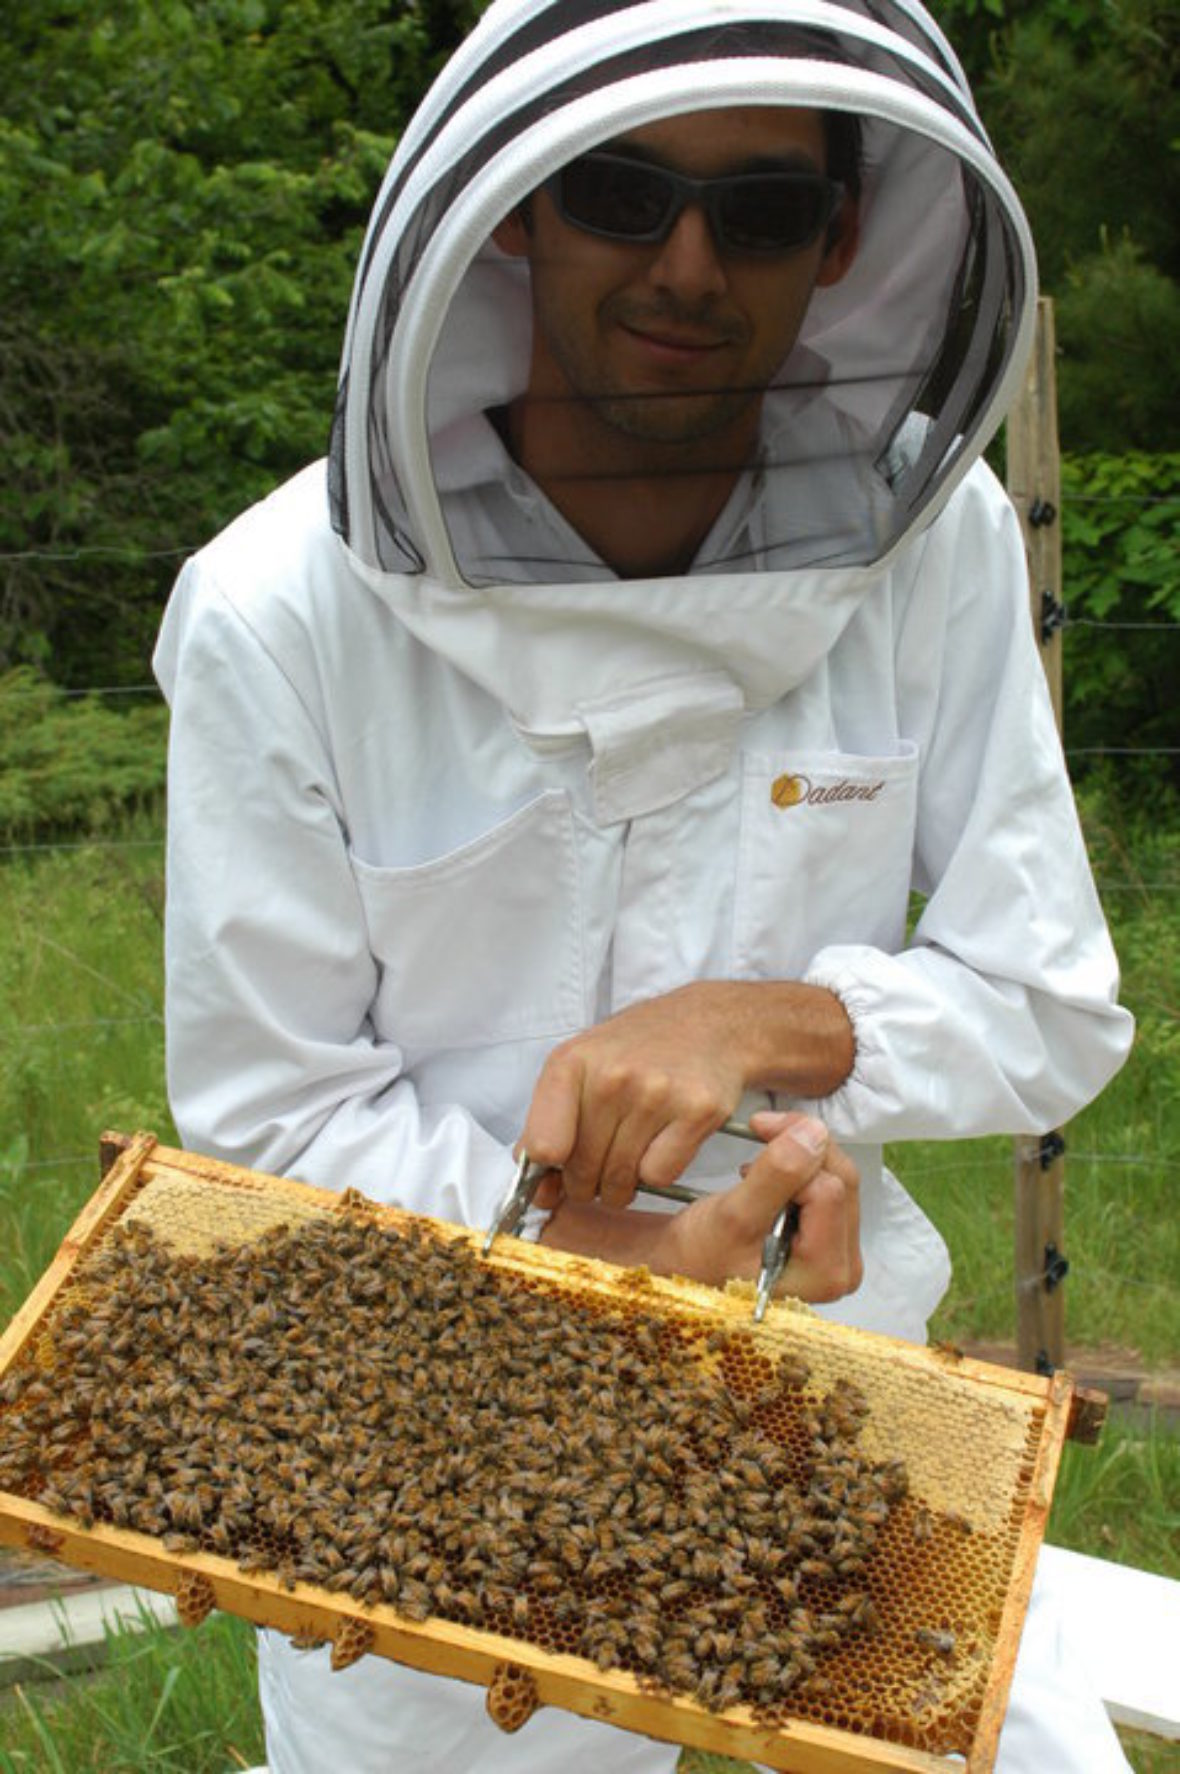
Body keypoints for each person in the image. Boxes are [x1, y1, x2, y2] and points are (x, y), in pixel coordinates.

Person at [153, 1, 1134, 1770]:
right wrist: (612, 1248)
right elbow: (272, 1118)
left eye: (761, 211)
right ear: (514, 208)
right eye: (619, 194)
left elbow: (1051, 999)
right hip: (427, 1422)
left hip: (826, 1387)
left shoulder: (934, 545)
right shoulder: (282, 611)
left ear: (840, 240)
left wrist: (781, 1024)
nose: (688, 265)